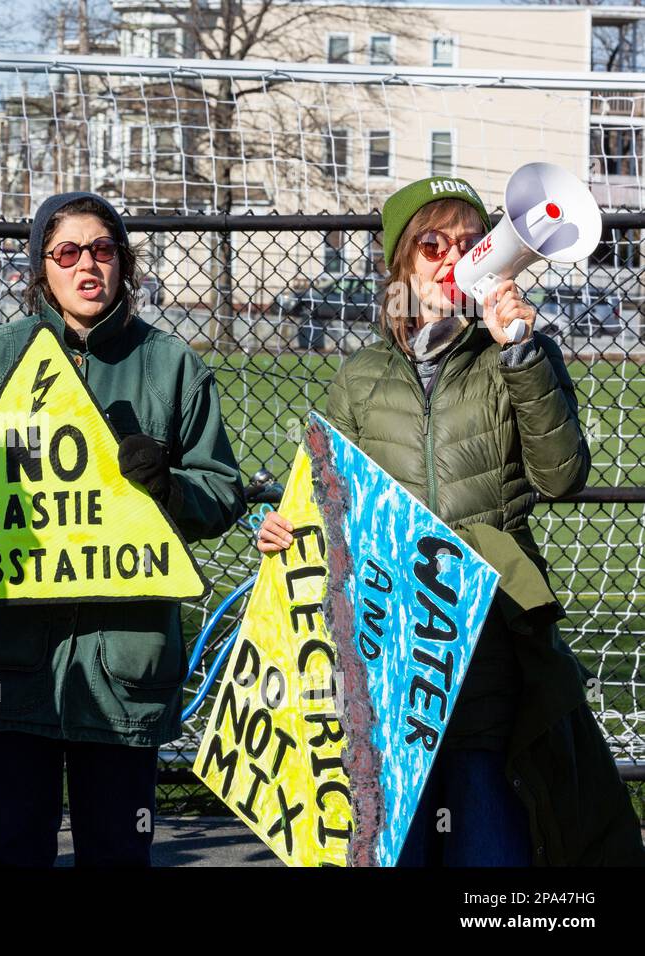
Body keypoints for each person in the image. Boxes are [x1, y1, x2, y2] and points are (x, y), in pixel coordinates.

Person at [256, 175, 645, 866]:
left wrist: (520, 353)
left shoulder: (516, 356)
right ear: (401, 263)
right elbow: (322, 500)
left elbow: (561, 476)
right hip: (390, 666)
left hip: (489, 654)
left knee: (488, 848)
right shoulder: (360, 378)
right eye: (432, 245)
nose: (453, 259)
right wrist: (283, 530)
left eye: (470, 243)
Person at [0, 191, 246, 866]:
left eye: (102, 249)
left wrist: (169, 488)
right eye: (67, 252)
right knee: (13, 849)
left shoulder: (171, 365)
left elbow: (222, 489)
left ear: (123, 262)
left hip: (125, 664)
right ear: (42, 267)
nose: (87, 265)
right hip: (8, 660)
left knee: (119, 850)